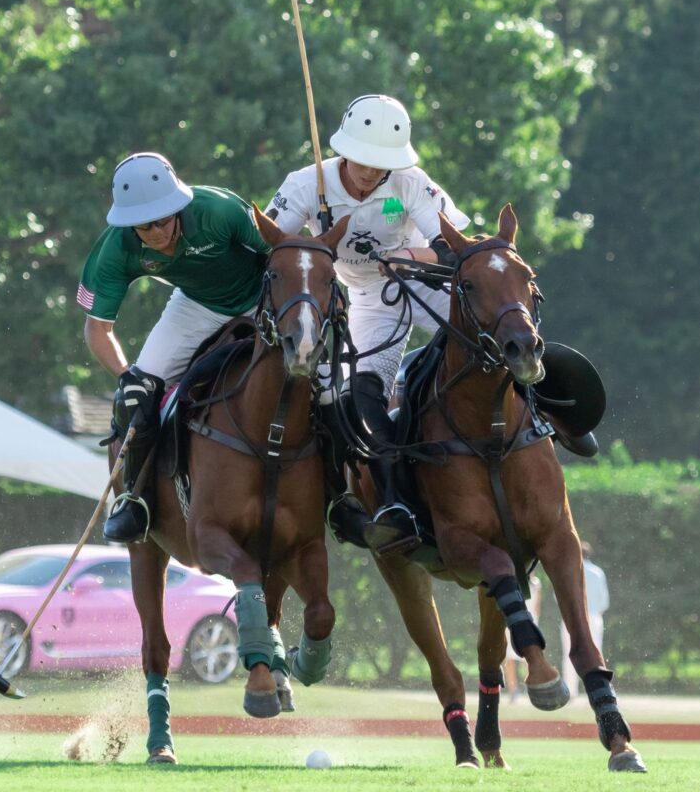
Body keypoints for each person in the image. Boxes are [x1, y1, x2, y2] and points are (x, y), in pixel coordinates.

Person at [266, 94, 471, 555]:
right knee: (359, 393)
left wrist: (410, 255)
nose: (369, 173)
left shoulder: (410, 182)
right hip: (367, 298)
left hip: (424, 279)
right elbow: (272, 246)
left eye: (381, 165)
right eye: (362, 161)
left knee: (497, 325)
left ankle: (551, 410)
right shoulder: (306, 184)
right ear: (344, 150)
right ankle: (395, 503)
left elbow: (456, 246)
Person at [78, 152, 270, 543]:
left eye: (163, 220)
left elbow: (280, 252)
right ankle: (135, 499)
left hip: (265, 297)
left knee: (325, 381)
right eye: (144, 226)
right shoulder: (116, 248)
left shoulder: (220, 210)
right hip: (197, 305)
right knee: (135, 396)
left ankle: (346, 490)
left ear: (178, 206)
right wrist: (126, 375)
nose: (156, 233)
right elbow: (97, 328)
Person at [560, 542, 609, 695]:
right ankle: (600, 690)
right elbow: (604, 601)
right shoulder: (598, 572)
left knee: (569, 653)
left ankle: (571, 691)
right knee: (597, 654)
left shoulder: (568, 571)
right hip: (594, 617)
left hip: (572, 617)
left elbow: (559, 597)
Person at [502, 574, 543, 703]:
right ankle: (514, 691)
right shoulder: (513, 581)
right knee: (511, 659)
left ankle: (530, 688)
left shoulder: (536, 583)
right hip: (515, 623)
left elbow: (537, 607)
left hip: (528, 622)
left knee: (528, 659)